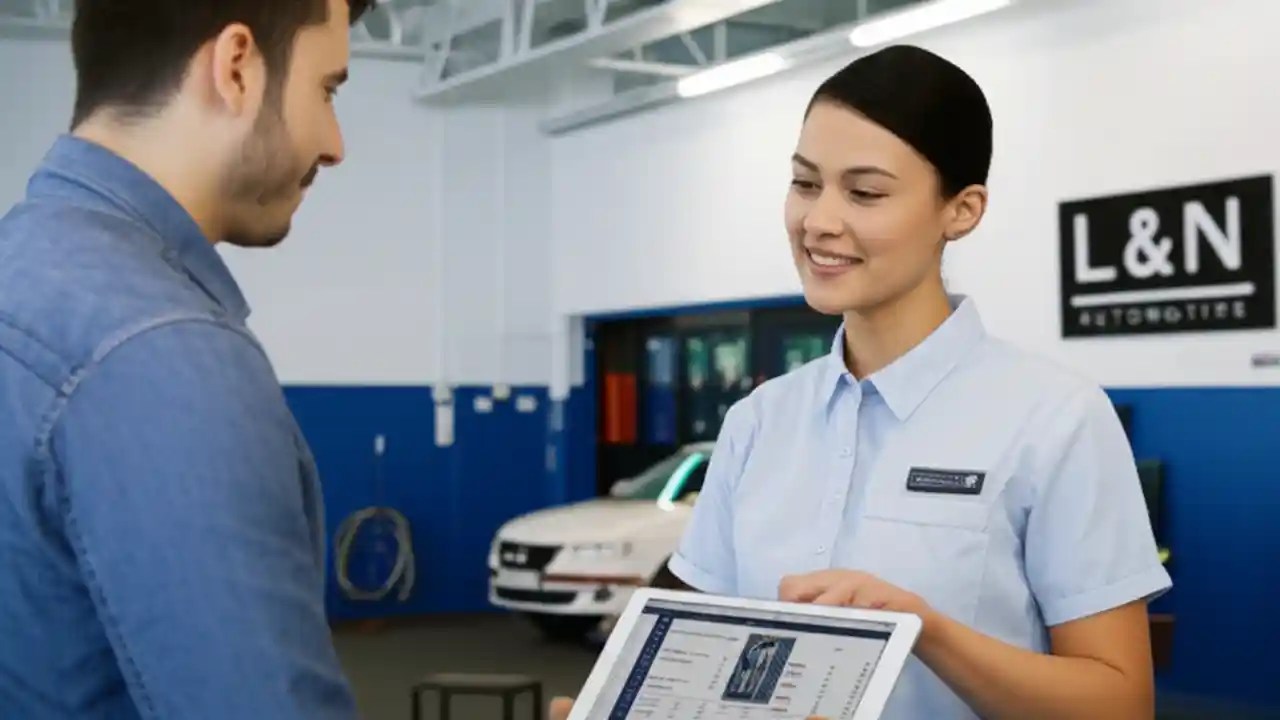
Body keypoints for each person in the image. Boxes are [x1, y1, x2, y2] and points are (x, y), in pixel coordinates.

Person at [656, 45, 1173, 720]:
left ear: (962, 210)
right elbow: (705, 666)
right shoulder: (758, 421)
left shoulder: (1055, 419)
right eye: (805, 183)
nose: (819, 221)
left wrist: (925, 632)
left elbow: (1119, 704)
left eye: (865, 193)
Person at [0, 1, 373, 718]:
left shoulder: (20, 275)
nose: (334, 146)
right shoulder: (162, 352)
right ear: (236, 67)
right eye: (327, 90)